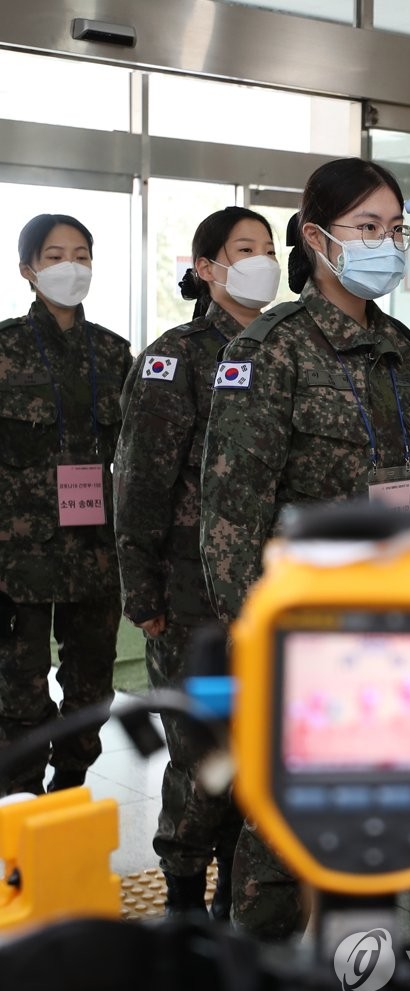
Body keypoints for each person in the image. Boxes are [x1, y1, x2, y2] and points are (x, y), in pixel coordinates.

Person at [200, 157, 410, 939]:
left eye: (395, 229)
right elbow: (229, 514)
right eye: (366, 228)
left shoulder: (402, 351)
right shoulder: (271, 351)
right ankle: (262, 970)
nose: (386, 244)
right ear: (315, 238)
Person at [113, 206, 281, 918]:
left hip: (273, 595)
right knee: (200, 759)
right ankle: (184, 902)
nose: (262, 260)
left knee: (262, 754)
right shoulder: (176, 356)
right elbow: (142, 485)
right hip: (190, 599)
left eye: (269, 247)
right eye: (245, 249)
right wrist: (141, 592)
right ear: (207, 266)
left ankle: (239, 904)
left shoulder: (286, 349)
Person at [0, 213, 133, 797]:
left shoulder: (113, 353)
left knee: (90, 690)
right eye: (55, 257)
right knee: (16, 692)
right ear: (28, 269)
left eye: (81, 254)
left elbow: (137, 452)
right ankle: (22, 807)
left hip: (95, 553)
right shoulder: (2, 350)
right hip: (15, 561)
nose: (70, 267)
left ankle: (71, 787)